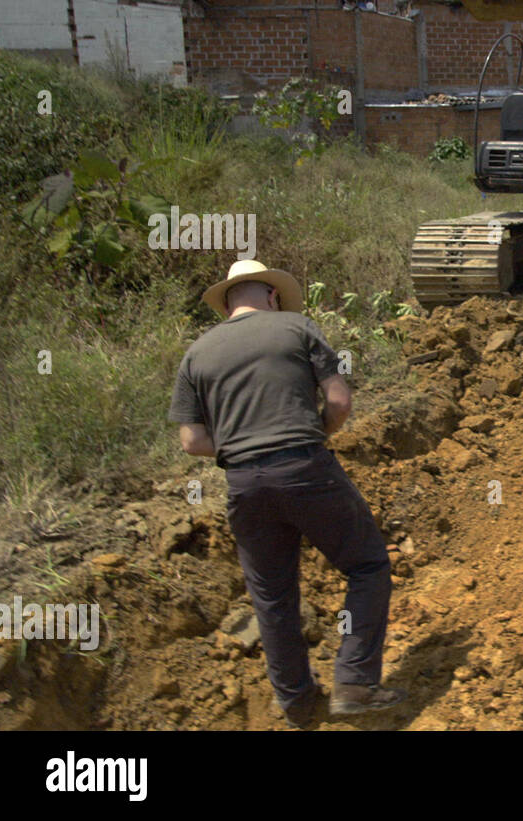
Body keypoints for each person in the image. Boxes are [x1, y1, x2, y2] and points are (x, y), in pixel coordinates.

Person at [168, 259, 406, 728]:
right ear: (272, 295)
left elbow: (192, 441)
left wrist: (239, 447)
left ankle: (296, 703)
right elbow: (339, 400)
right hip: (305, 468)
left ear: (228, 303)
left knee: (272, 597)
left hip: (243, 485)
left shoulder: (197, 353)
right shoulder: (296, 327)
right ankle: (354, 682)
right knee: (367, 565)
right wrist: (314, 434)